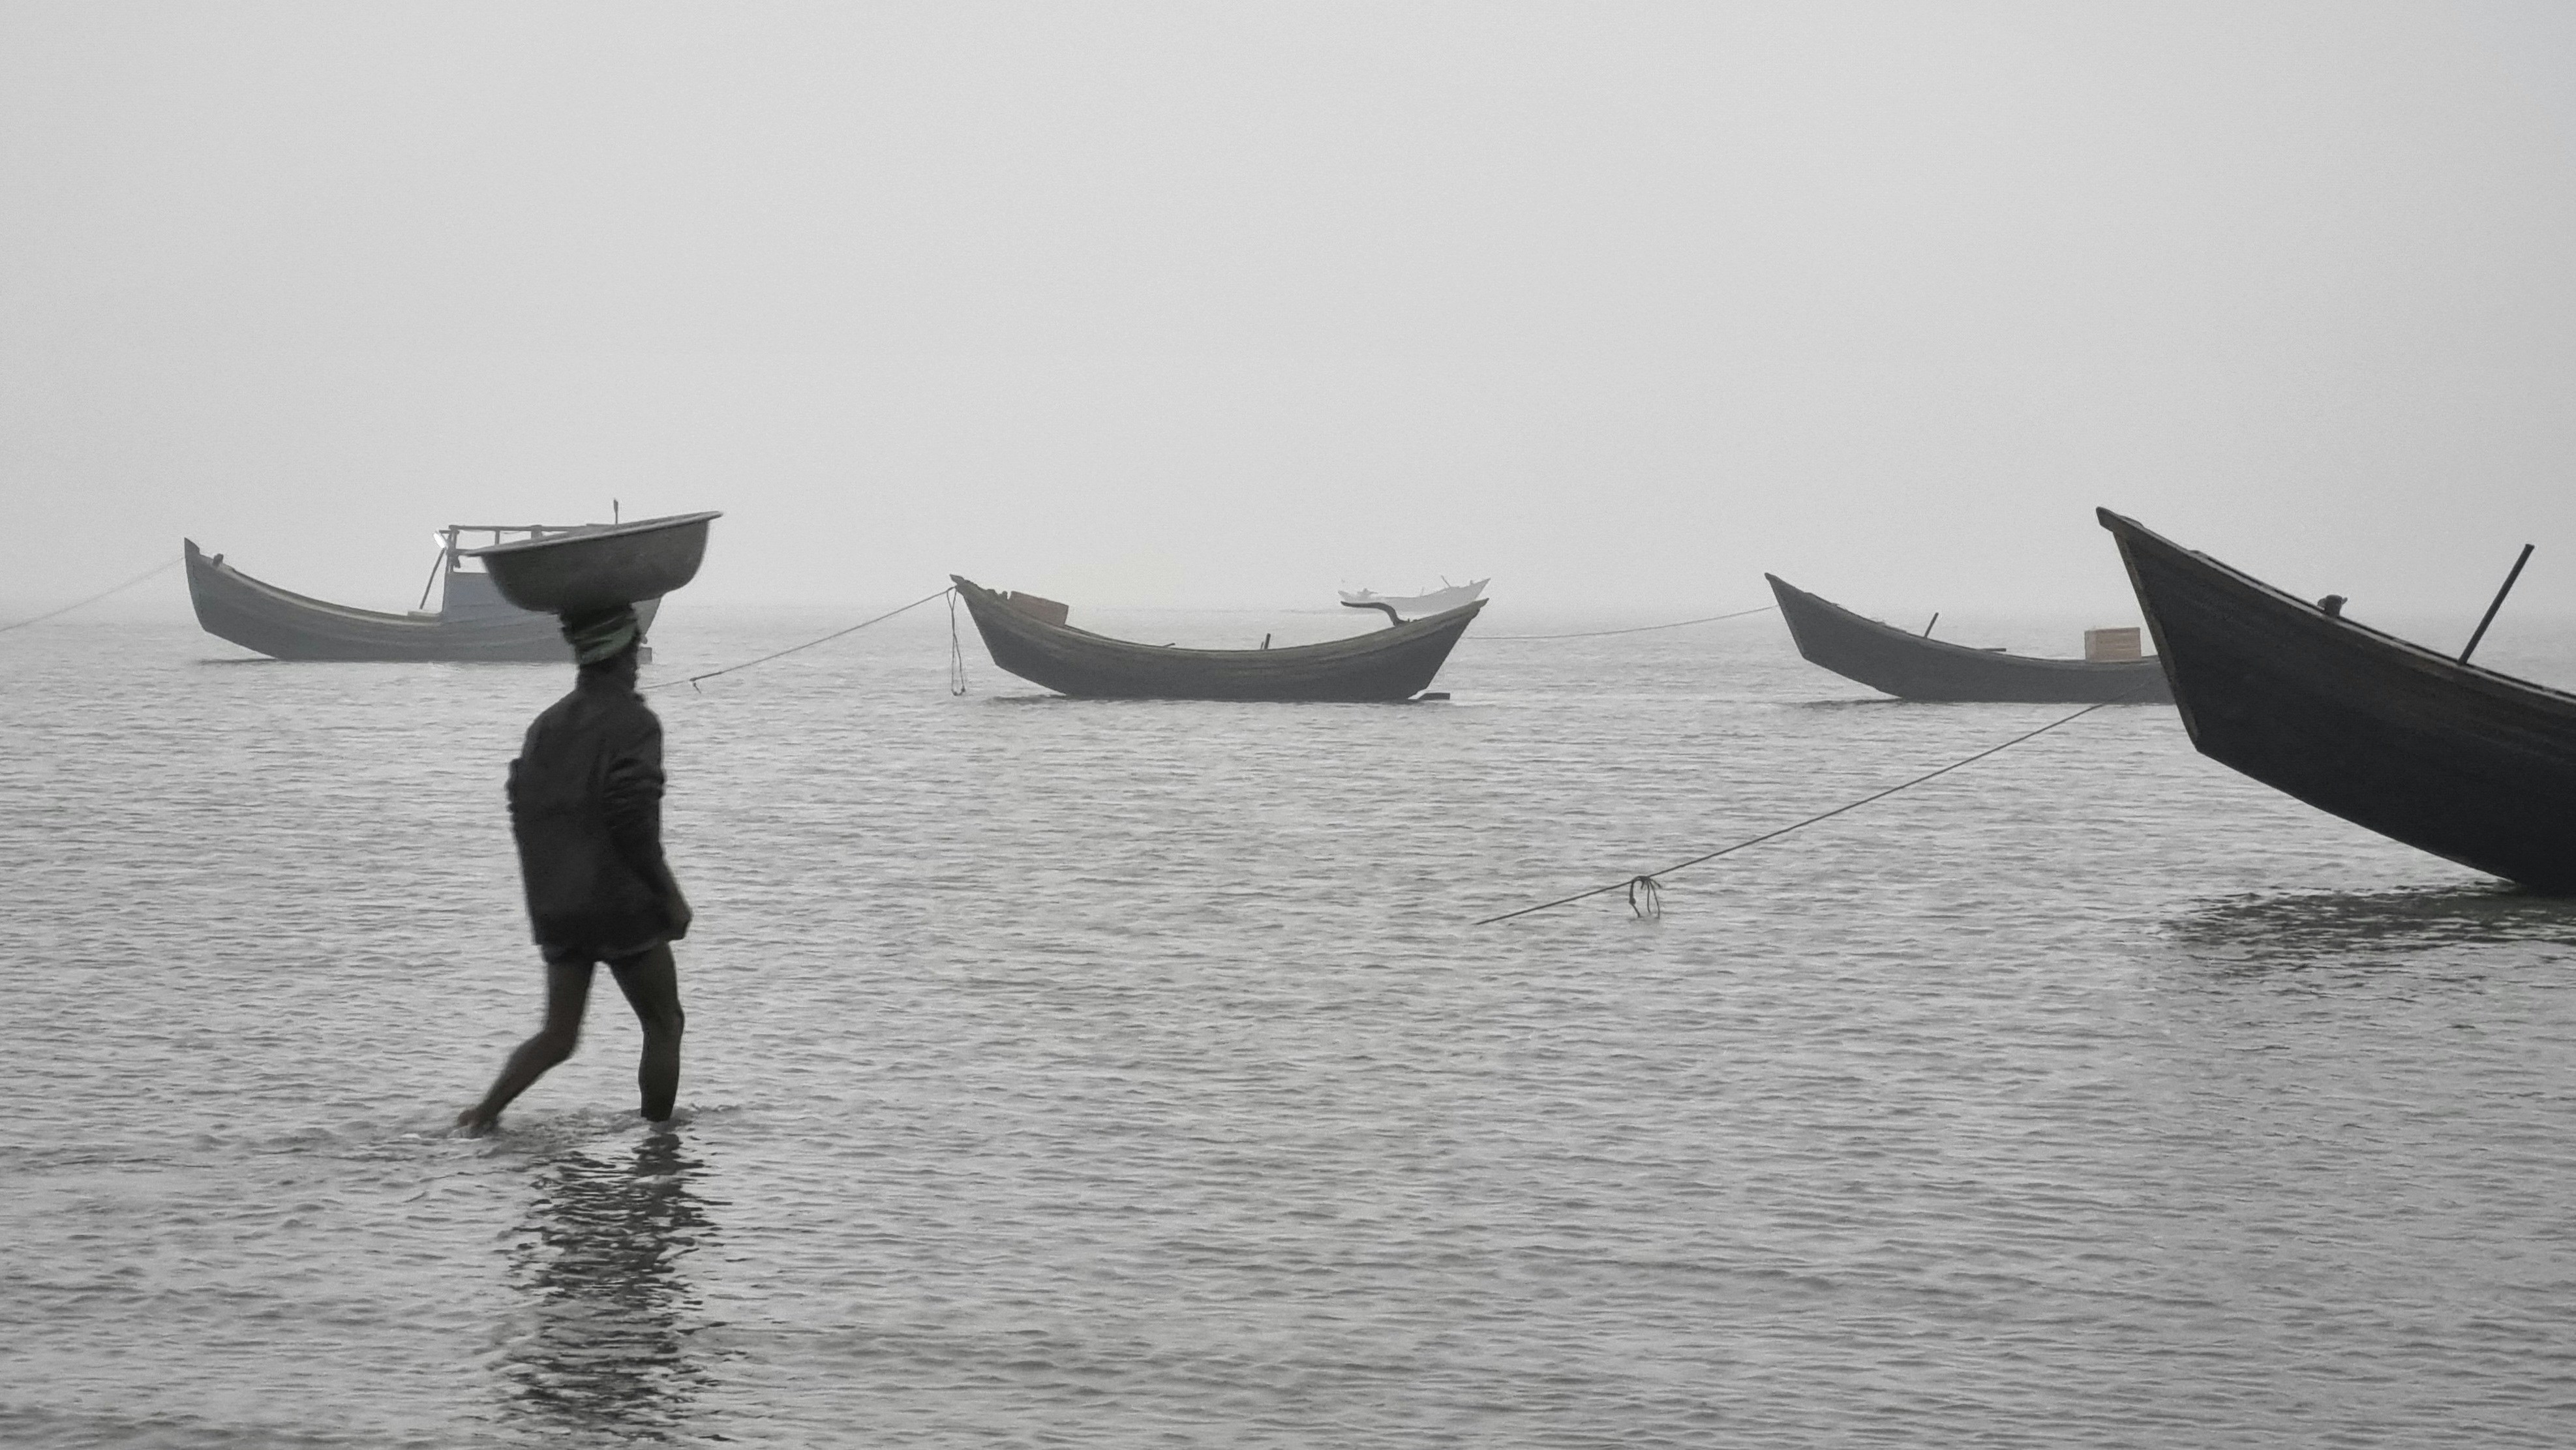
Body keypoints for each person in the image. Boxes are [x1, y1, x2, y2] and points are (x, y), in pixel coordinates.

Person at [460, 605, 692, 1134]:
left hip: (559, 905)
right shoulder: (636, 723)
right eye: (634, 651)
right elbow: (633, 821)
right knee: (664, 1022)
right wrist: (669, 897)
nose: (637, 662)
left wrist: (546, 896)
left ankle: (479, 1118)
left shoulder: (547, 724)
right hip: (621, 906)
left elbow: (522, 808)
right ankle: (659, 1144)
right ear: (623, 657)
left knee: (558, 1036)